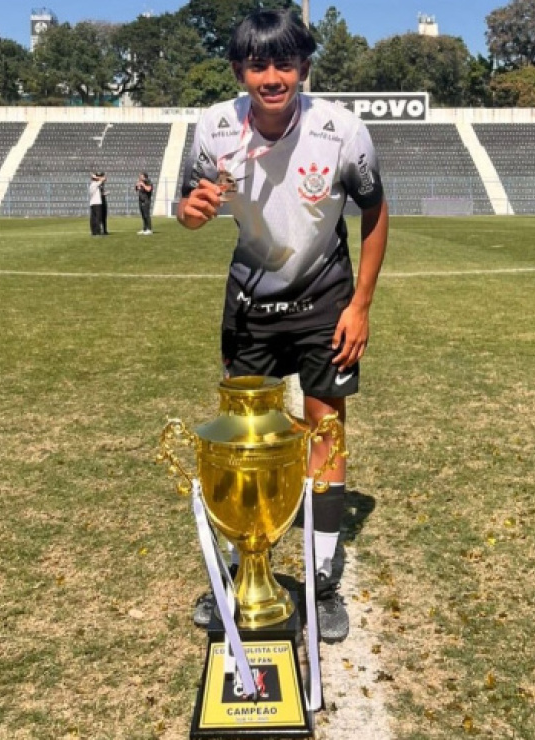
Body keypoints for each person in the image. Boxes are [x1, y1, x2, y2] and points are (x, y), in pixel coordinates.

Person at [177, 8, 388, 644]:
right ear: (240, 69)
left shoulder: (342, 131)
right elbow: (187, 212)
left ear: (303, 67)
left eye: (285, 63)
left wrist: (361, 306)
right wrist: (193, 210)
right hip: (251, 305)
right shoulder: (213, 129)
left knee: (326, 434)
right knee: (248, 447)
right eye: (258, 64)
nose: (273, 76)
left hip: (327, 299)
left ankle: (321, 582)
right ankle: (250, 572)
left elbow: (376, 215)